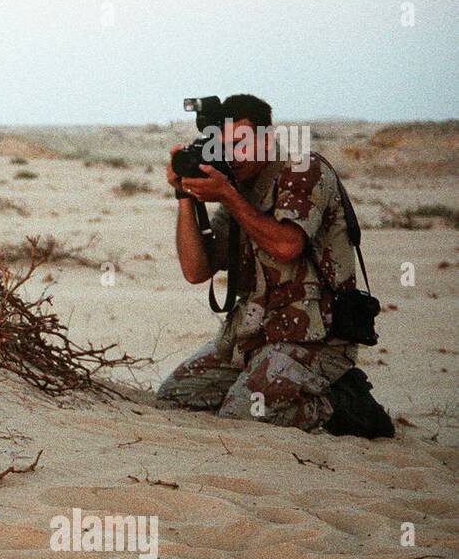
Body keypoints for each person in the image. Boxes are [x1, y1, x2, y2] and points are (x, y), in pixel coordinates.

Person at [155, 94, 392, 435]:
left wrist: (229, 197)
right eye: (224, 146)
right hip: (252, 337)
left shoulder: (302, 170)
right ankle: (266, 385)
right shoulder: (239, 191)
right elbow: (195, 270)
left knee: (241, 418)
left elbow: (287, 245)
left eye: (241, 143)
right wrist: (183, 197)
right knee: (175, 399)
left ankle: (337, 403)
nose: (233, 156)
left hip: (313, 340)